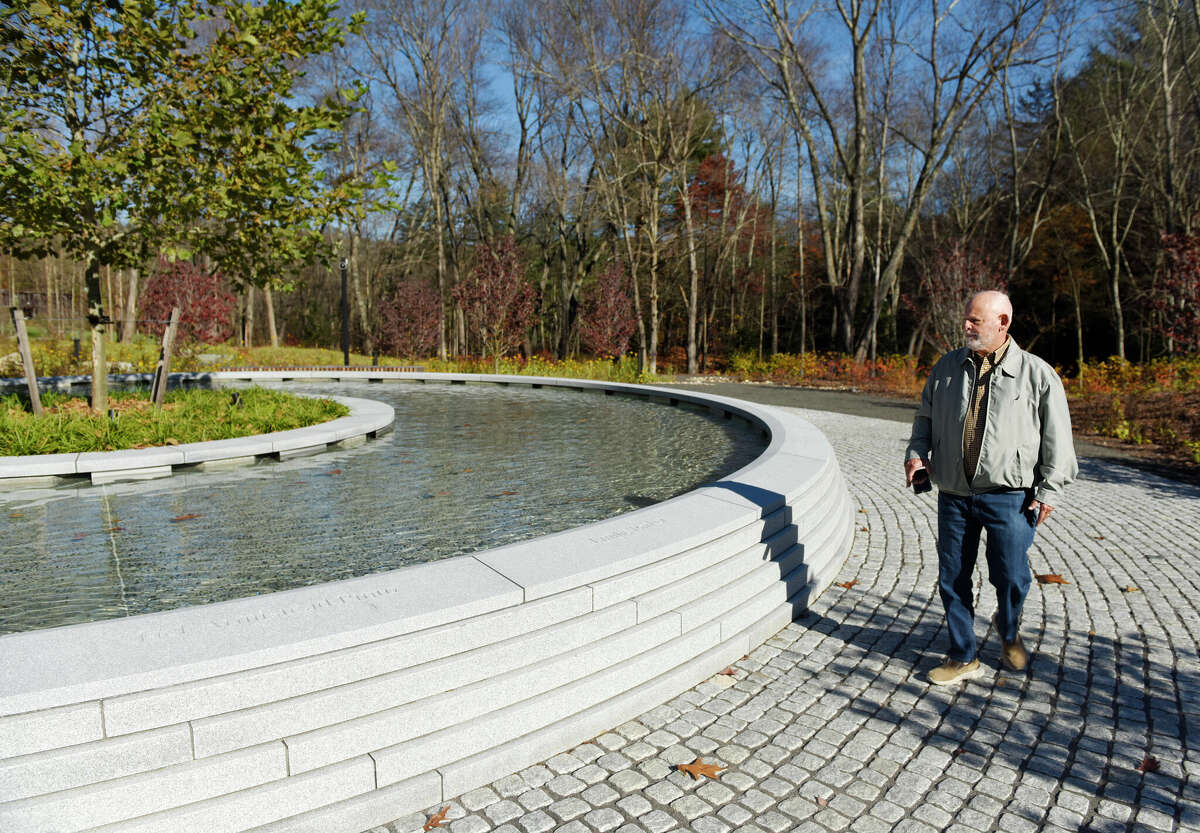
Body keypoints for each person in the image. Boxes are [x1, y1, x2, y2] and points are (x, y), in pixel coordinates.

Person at [905, 290, 1077, 685]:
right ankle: (963, 656)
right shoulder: (946, 367)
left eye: (975, 320)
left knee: (1012, 576)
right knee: (953, 577)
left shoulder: (1038, 374)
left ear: (1003, 323)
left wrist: (1049, 491)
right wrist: (916, 454)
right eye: (966, 318)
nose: (965, 325)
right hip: (954, 495)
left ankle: (1009, 628)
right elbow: (924, 420)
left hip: (1011, 497)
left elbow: (1059, 441)